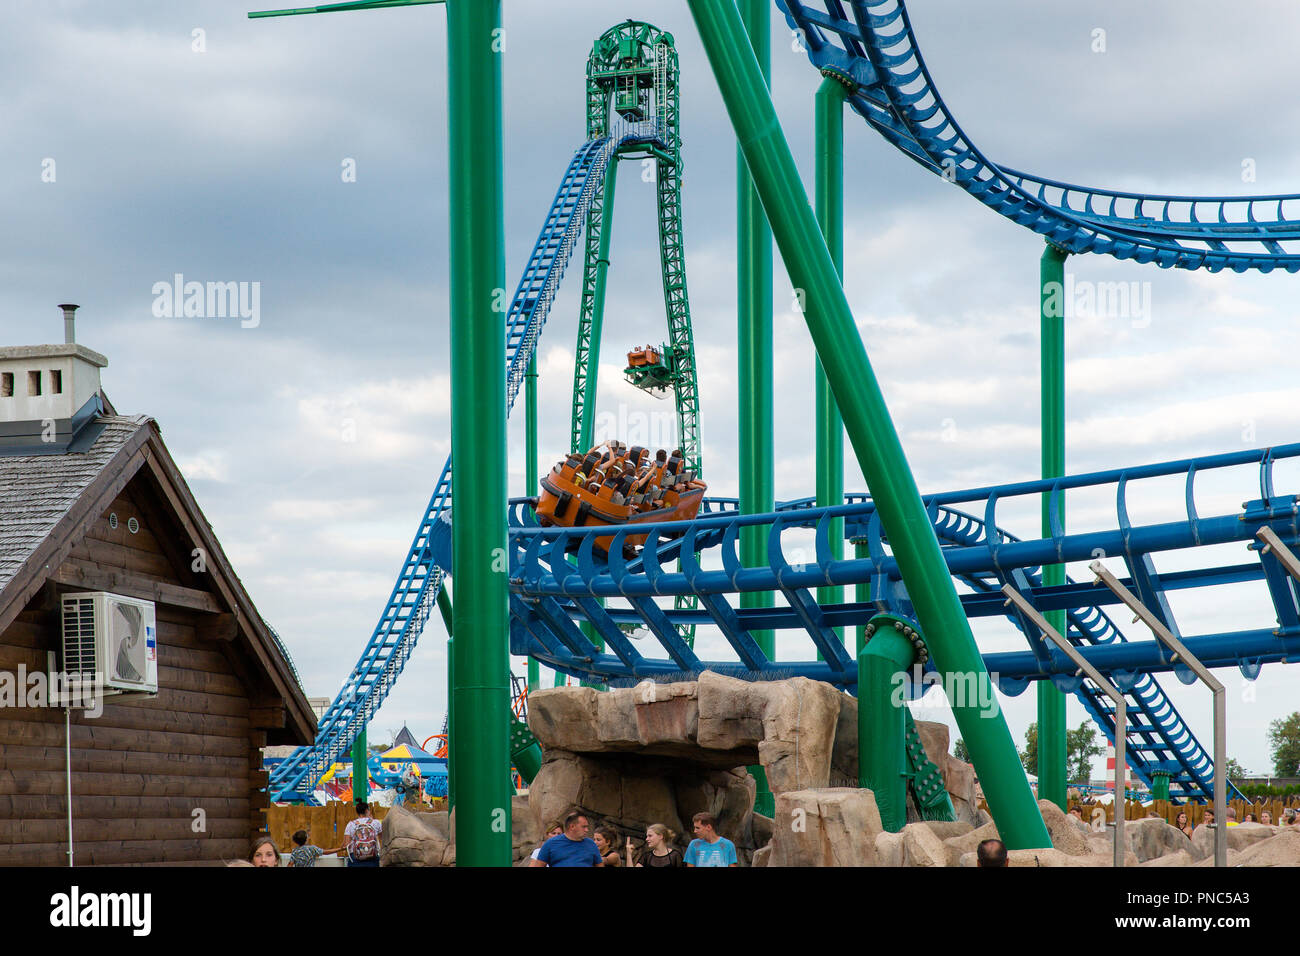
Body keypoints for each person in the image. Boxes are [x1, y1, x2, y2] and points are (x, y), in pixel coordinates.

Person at [530, 811, 604, 867]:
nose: (587, 830)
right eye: (584, 827)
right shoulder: (550, 844)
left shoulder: (591, 844)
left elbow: (600, 865)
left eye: (587, 827)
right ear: (572, 827)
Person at [345, 801, 382, 867]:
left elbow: (346, 844)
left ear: (357, 812)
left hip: (355, 858)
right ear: (367, 810)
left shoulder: (351, 824)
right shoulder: (376, 822)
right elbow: (382, 839)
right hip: (372, 857)